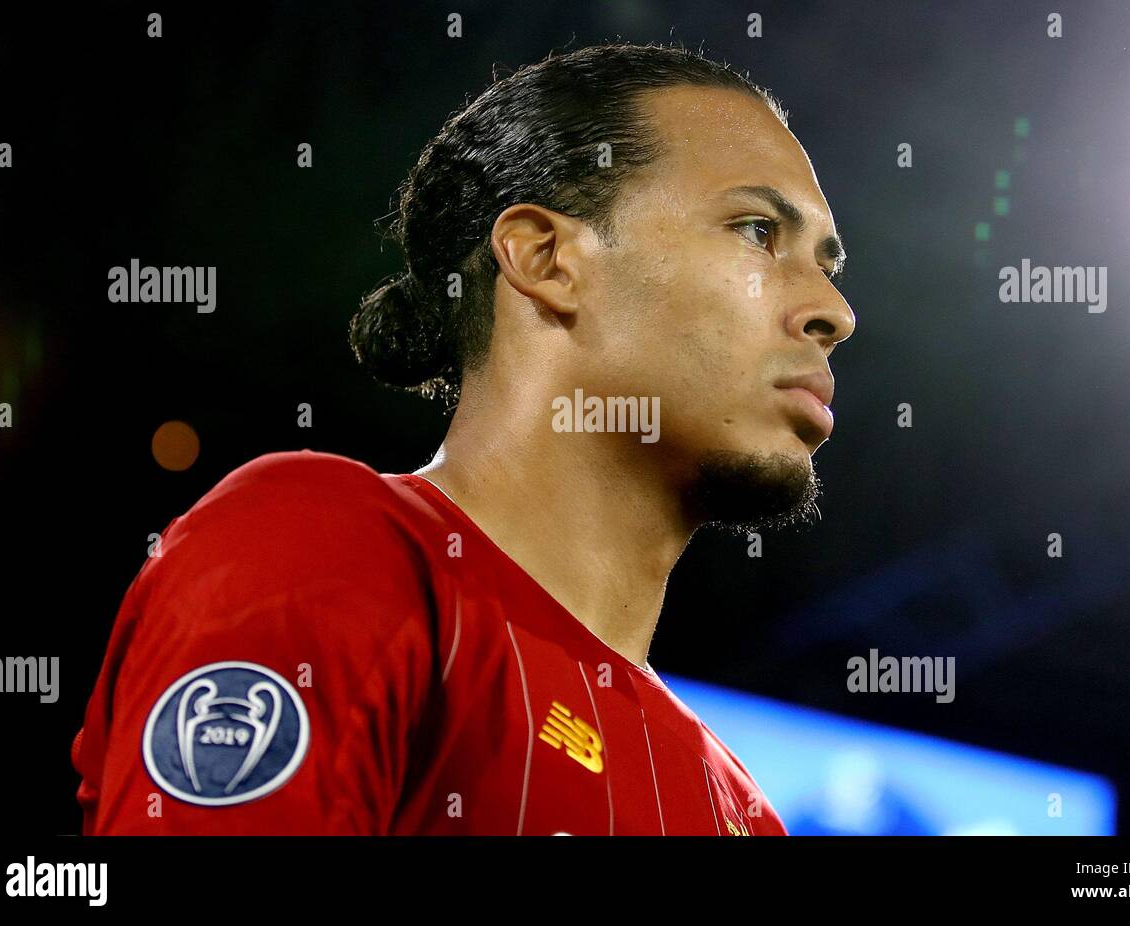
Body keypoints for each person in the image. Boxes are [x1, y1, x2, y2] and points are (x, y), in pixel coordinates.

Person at [72, 41, 855, 835]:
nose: (835, 312)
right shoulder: (325, 544)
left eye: (830, 266)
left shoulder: (744, 814)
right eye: (758, 231)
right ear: (547, 260)